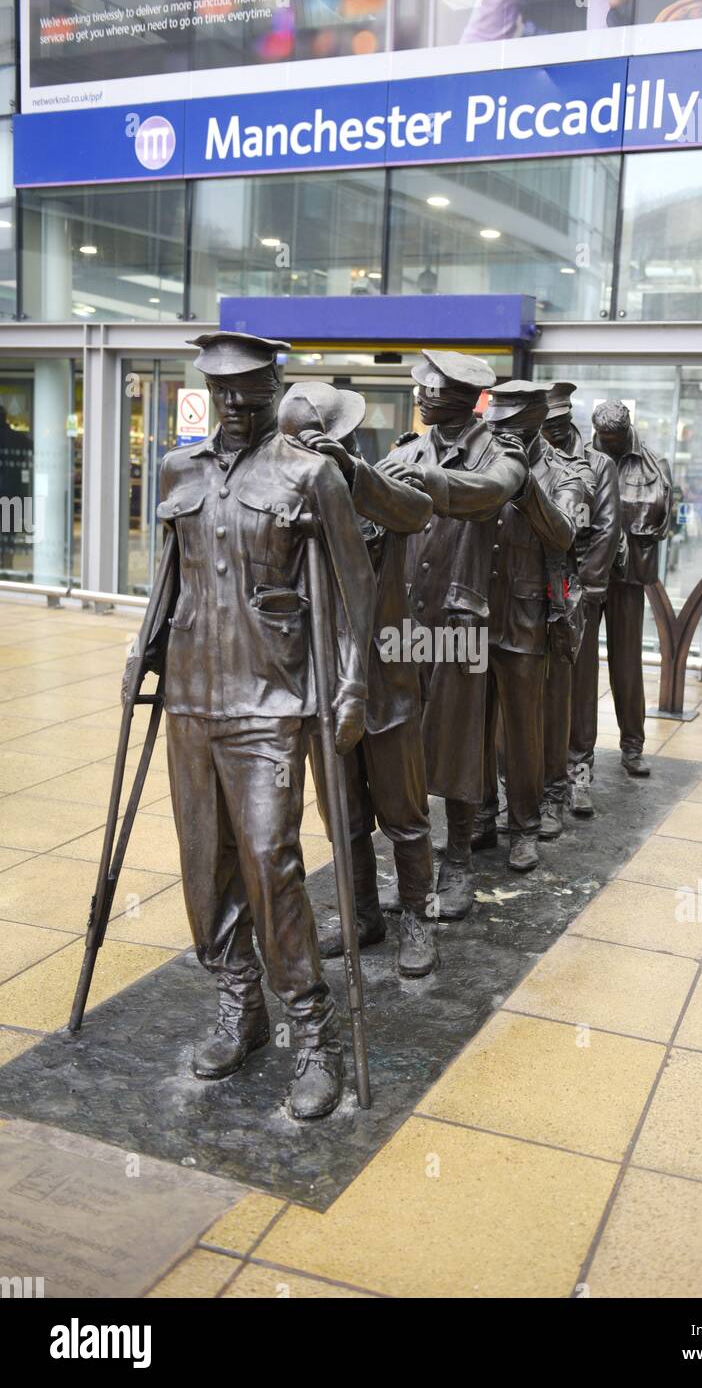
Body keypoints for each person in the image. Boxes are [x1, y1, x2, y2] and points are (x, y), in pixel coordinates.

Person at [123, 332, 377, 1121]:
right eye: (222, 390)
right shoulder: (178, 471)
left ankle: (313, 1032)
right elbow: (170, 577)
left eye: (251, 390)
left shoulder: (311, 473)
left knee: (271, 862)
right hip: (192, 698)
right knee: (206, 868)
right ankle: (242, 1005)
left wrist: (353, 684)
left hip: (271, 701)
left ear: (274, 387)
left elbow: (355, 584)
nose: (236, 404)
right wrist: (142, 650)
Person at [280, 379, 439, 979]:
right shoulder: (288, 498)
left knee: (404, 812)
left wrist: (350, 471)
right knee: (342, 817)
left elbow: (417, 512)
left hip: (386, 677)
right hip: (322, 680)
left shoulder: (382, 482)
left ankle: (417, 918)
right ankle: (361, 914)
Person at [376, 349, 530, 921]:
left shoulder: (500, 450)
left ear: (462, 396)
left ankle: (460, 860)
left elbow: (490, 493)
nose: (420, 397)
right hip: (407, 618)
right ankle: (412, 867)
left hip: (461, 616)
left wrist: (429, 479)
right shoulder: (406, 450)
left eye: (431, 390)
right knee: (404, 743)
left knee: (461, 741)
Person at [473, 380, 591, 865]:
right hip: (476, 613)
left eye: (508, 428)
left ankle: (523, 824)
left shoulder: (567, 472)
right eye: (493, 426)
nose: (497, 435)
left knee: (523, 729)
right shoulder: (480, 461)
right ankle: (480, 813)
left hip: (528, 614)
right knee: (473, 725)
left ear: (534, 426)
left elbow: (564, 534)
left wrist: (524, 485)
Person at [571, 399, 672, 785]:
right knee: (582, 668)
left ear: (627, 431)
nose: (608, 443)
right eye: (603, 437)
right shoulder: (584, 460)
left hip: (628, 577)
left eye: (615, 437)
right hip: (588, 572)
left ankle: (633, 745)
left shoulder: (653, 464)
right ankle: (580, 754)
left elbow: (662, 519)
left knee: (627, 664)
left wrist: (621, 527)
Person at [542, 383, 623, 819]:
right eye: (545, 425)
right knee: (535, 686)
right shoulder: (531, 459)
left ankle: (579, 770)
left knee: (579, 683)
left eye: (557, 423)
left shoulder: (598, 464)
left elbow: (607, 529)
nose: (552, 432)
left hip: (576, 590)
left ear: (568, 419)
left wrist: (584, 590)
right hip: (535, 587)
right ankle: (538, 774)